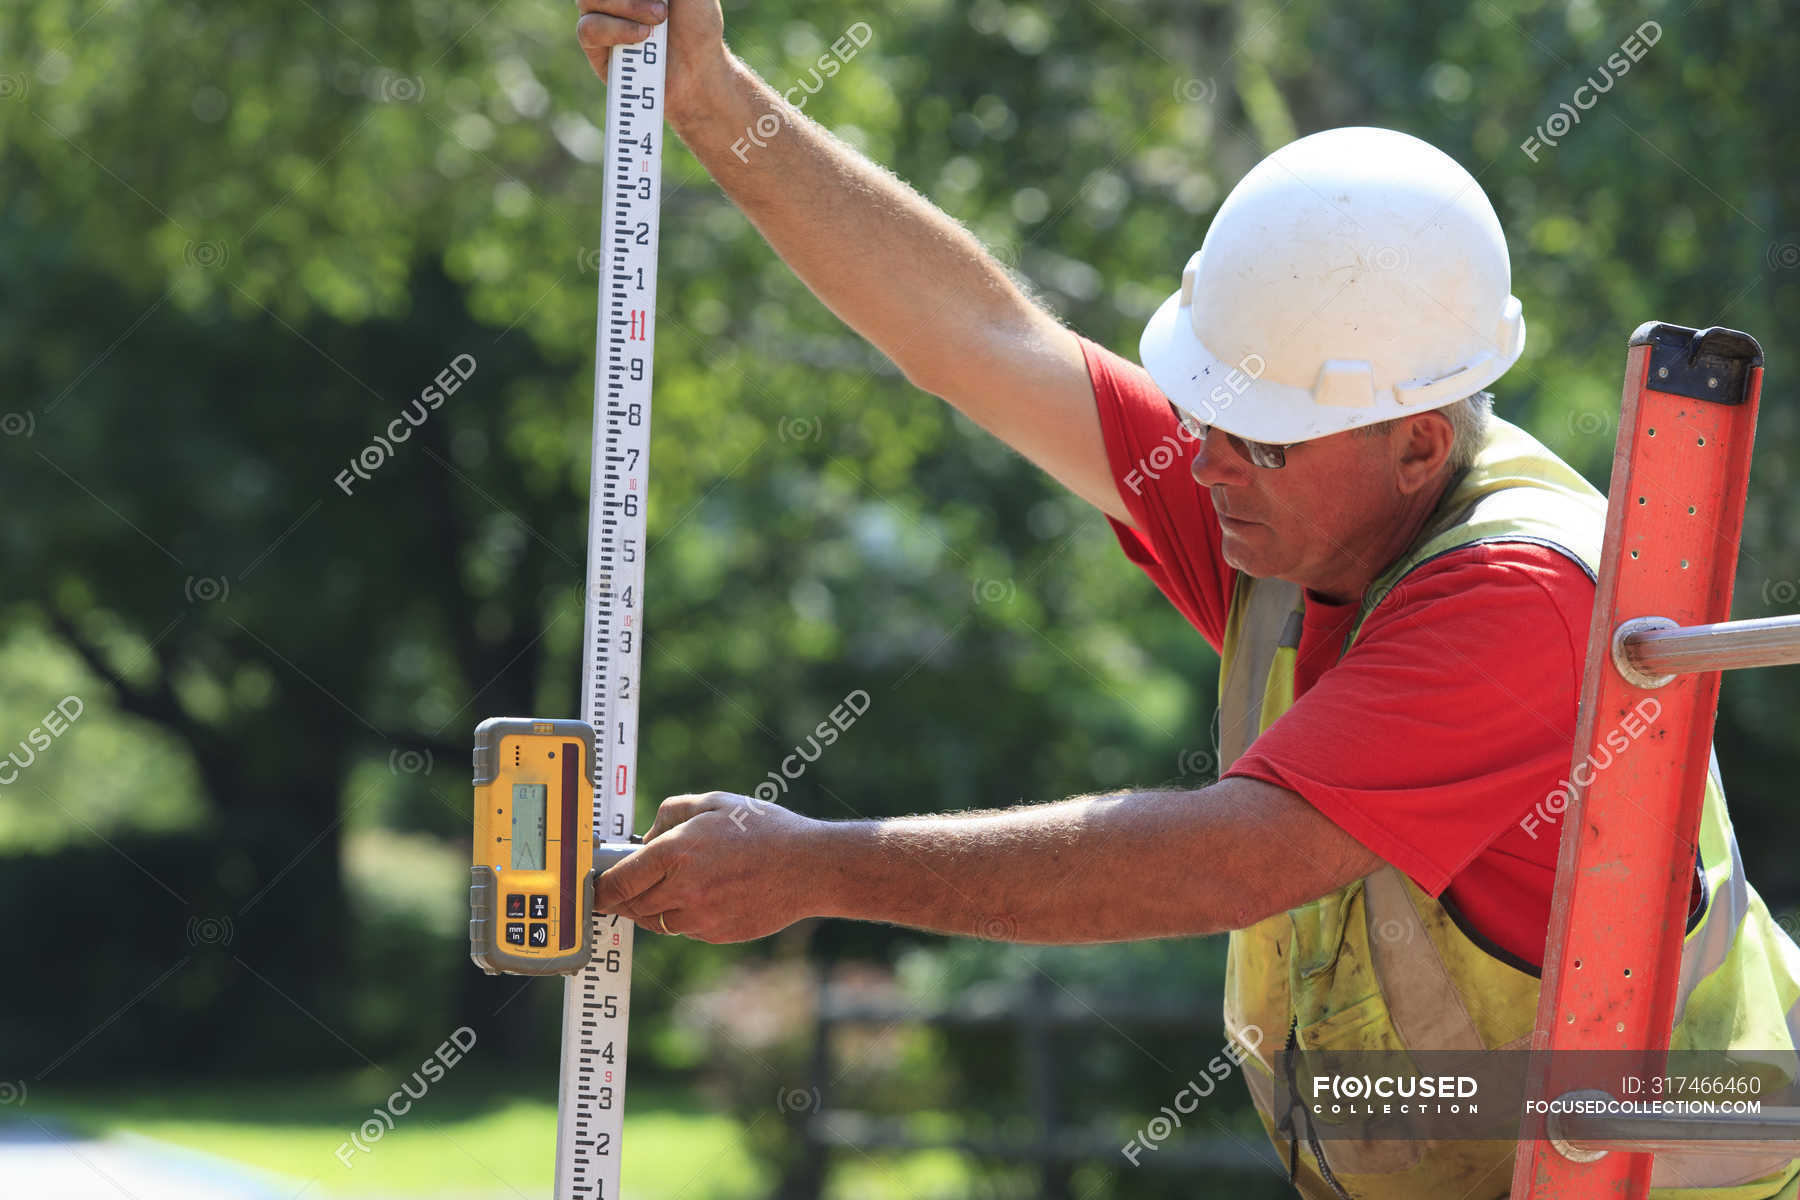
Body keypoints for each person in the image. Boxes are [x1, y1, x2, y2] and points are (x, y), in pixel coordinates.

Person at [572, 5, 1800, 1197]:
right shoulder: (1297, 488)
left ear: (1419, 446)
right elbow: (976, 340)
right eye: (1206, 413)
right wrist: (716, 102)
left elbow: (1232, 859)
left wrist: (819, 866)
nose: (1204, 460)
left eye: (1254, 439)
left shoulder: (1519, 600)